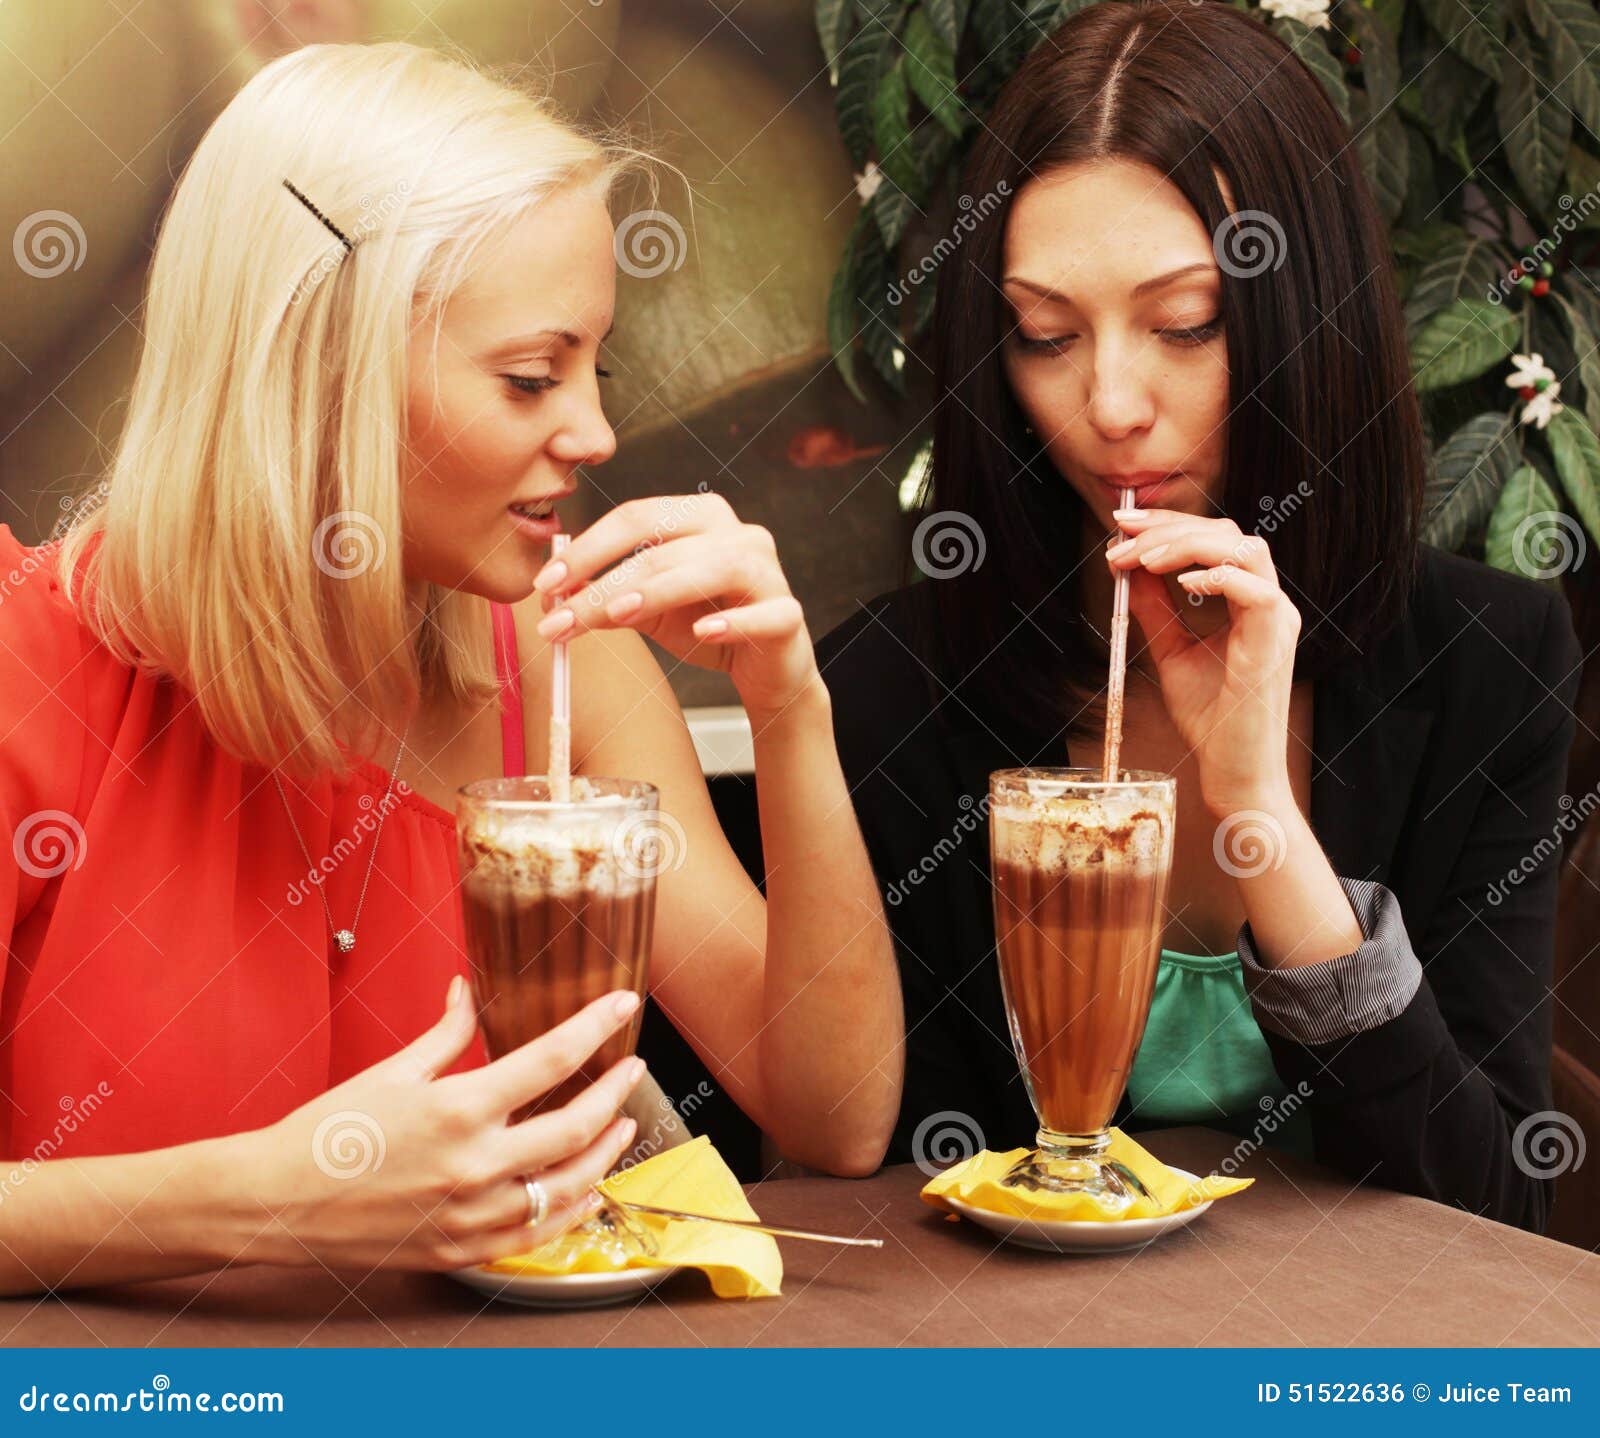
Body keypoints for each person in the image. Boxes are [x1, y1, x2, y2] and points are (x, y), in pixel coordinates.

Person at [0, 41, 902, 1296]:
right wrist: (264, 1200)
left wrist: (788, 702)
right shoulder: (27, 665)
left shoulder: (560, 665)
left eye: (599, 368)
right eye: (531, 376)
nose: (591, 432)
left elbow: (836, 1115)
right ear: (322, 367)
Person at [815, 0, 1582, 1233]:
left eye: (1184, 324)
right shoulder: (894, 689)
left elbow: (1490, 1202)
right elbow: (877, 1195)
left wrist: (1265, 824)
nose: (1111, 402)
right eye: (1045, 335)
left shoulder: (1485, 659)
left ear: (1305, 312)